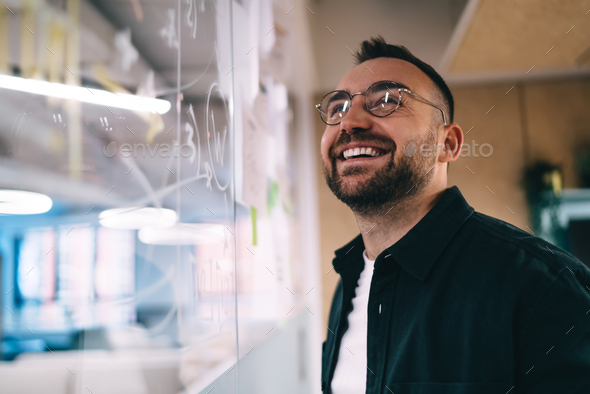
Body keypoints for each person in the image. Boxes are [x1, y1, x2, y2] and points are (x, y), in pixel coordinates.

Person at [318, 36, 590, 394]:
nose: (348, 121)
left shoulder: (543, 287)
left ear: (447, 144)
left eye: (386, 101)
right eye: (337, 108)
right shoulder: (348, 282)